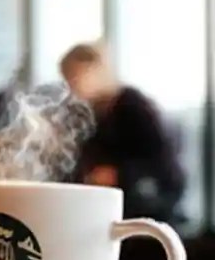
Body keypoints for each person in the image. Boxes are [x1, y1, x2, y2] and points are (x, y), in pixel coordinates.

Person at [60, 43, 186, 224]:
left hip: (147, 212)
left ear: (97, 71)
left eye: (75, 76)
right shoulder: (85, 113)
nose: (72, 86)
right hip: (108, 211)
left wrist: (118, 175)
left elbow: (164, 168)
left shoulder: (134, 106)